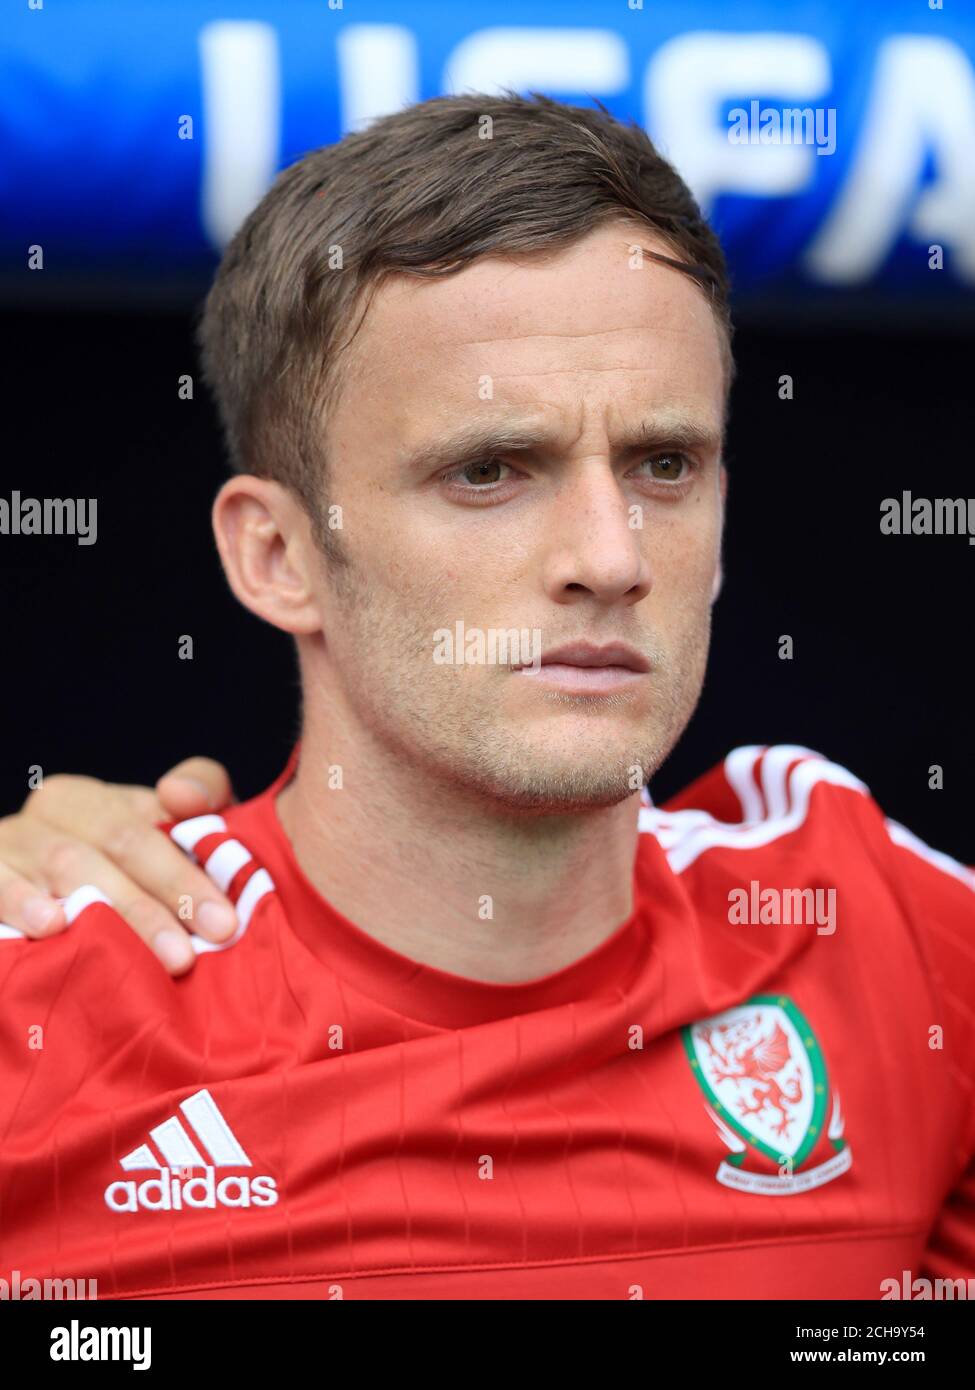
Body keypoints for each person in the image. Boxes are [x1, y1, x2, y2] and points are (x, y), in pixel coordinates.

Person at [1, 91, 972, 1301]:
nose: (611, 557)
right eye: (489, 471)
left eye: (664, 463)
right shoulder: (37, 1020)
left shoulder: (884, 933)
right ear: (279, 557)